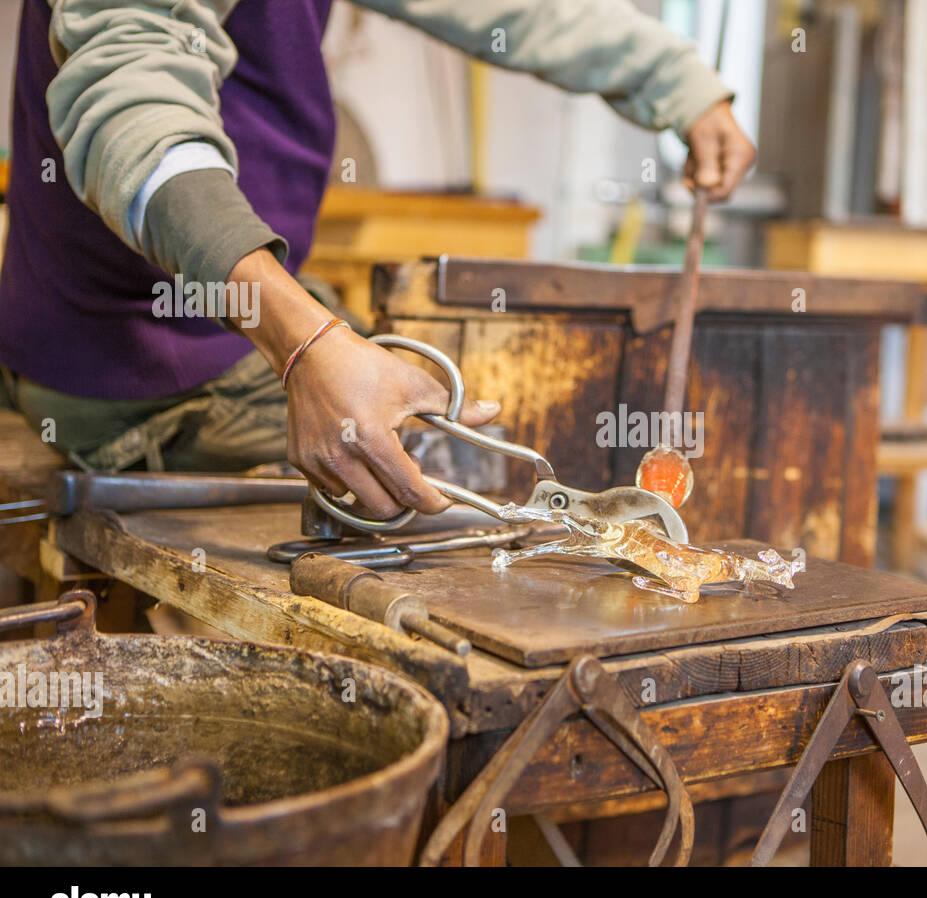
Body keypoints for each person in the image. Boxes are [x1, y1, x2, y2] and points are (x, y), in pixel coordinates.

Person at [0, 0, 755, 520]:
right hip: (137, 361)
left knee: (468, 470)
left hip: (219, 330)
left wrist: (675, 82)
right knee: (456, 529)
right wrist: (304, 344)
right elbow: (126, 102)